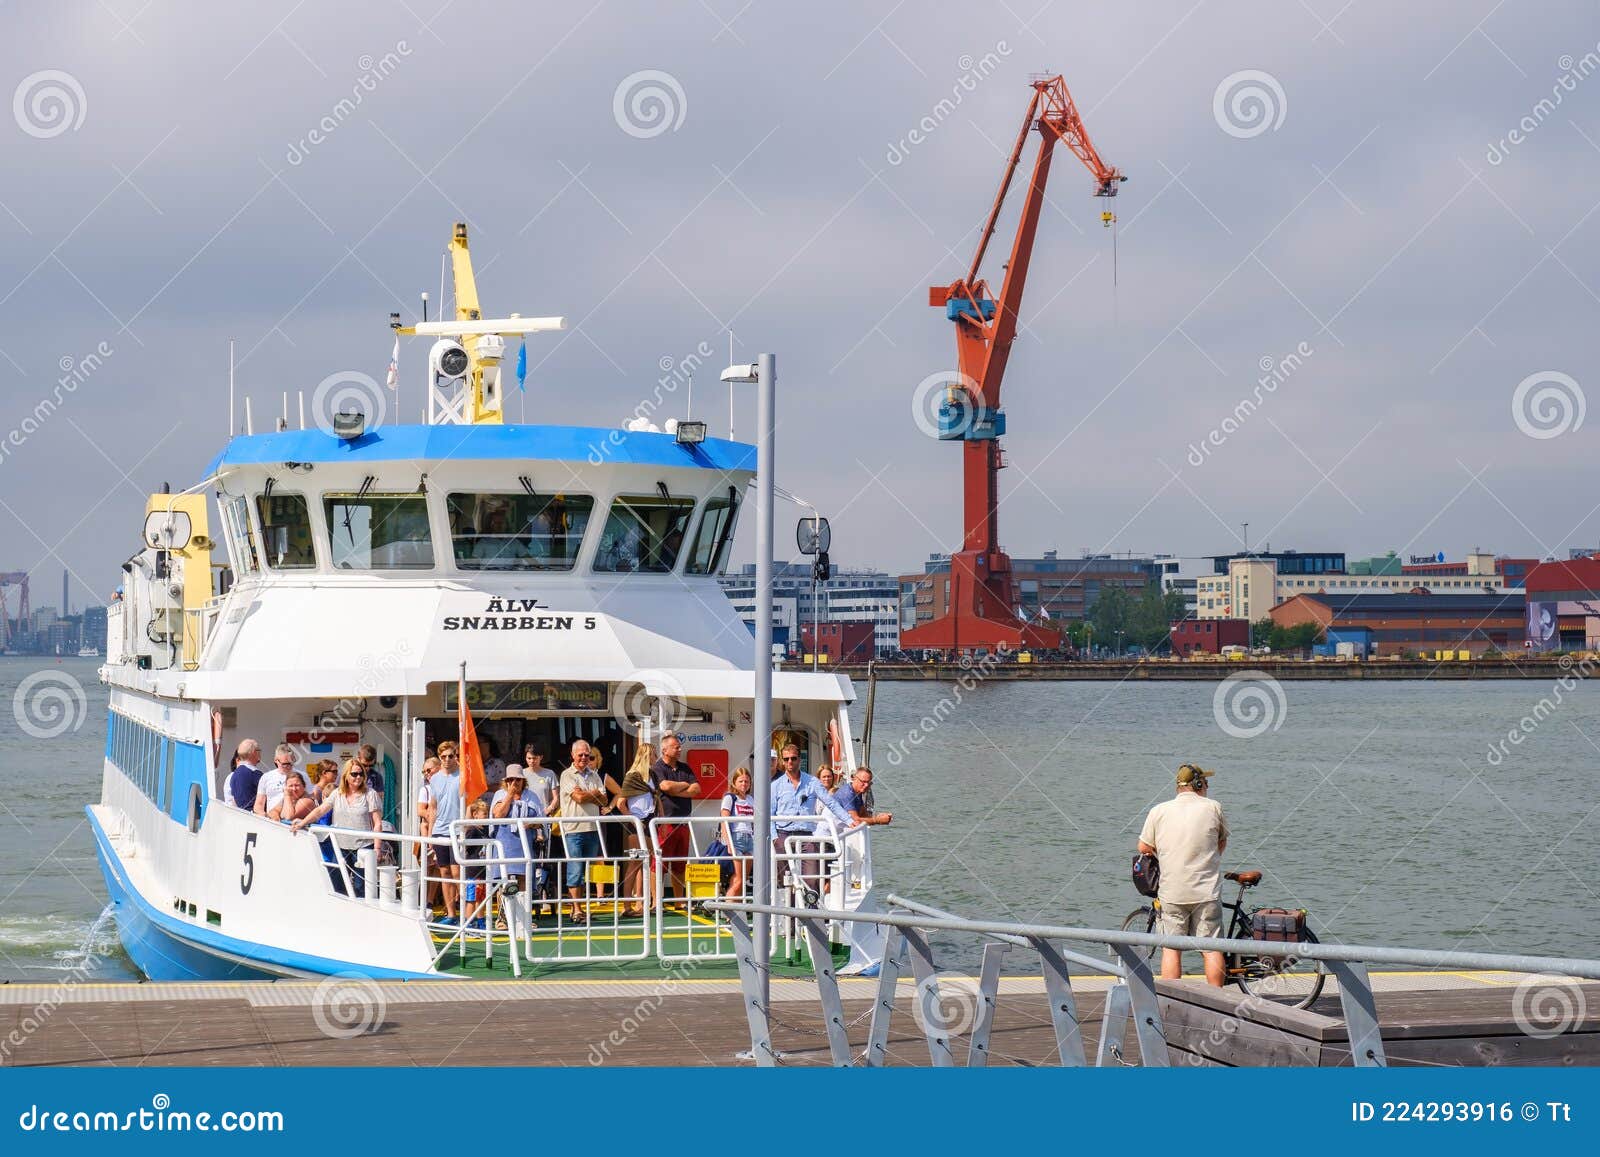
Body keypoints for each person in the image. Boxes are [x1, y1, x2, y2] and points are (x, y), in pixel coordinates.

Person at [1137, 764, 1230, 987]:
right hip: (1206, 891)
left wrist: (1166, 855)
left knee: (1171, 948)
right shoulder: (1213, 807)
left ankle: (1172, 1003)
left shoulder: (1158, 811)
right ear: (1198, 784)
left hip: (1172, 891)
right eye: (1205, 782)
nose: (1207, 786)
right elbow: (1221, 842)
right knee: (1211, 948)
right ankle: (1217, 1002)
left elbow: (1143, 847)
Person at [771, 742, 855, 903]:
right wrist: (774, 837)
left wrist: (849, 821)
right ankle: (790, 915)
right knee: (786, 880)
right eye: (786, 759)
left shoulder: (812, 782)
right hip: (783, 835)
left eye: (793, 758)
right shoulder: (775, 786)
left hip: (806, 835)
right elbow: (769, 814)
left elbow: (831, 803)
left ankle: (810, 914)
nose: (790, 762)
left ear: (799, 759)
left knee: (811, 878)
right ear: (782, 760)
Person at [294, 759, 383, 896]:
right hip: (340, 846)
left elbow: (377, 823)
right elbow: (320, 810)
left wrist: (377, 848)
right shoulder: (338, 793)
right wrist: (302, 823)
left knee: (362, 888)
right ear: (346, 775)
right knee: (338, 885)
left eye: (361, 774)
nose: (358, 777)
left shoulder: (370, 794)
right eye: (354, 774)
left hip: (363, 846)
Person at [490, 765, 546, 925]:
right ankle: (503, 918)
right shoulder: (499, 795)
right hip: (504, 843)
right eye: (510, 779)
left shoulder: (532, 796)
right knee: (504, 880)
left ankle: (523, 918)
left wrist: (530, 824)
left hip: (524, 843)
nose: (514, 782)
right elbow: (498, 814)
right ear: (506, 781)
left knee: (524, 880)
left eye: (518, 779)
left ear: (523, 781)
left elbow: (541, 820)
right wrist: (510, 794)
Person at [558, 740, 606, 923]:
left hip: (593, 828)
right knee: (575, 870)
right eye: (581, 755)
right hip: (574, 830)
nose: (584, 758)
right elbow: (578, 798)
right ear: (573, 756)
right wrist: (594, 793)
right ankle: (577, 909)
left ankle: (579, 907)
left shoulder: (594, 775)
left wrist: (588, 794)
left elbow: (604, 801)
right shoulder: (567, 775)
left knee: (586, 871)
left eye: (588, 755)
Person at [649, 732, 701, 900]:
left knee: (680, 865)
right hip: (665, 823)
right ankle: (657, 902)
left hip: (683, 823)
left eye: (679, 746)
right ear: (664, 750)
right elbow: (665, 786)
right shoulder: (657, 768)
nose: (680, 749)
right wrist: (685, 785)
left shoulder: (685, 768)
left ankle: (679, 901)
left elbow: (697, 789)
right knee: (659, 864)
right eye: (676, 747)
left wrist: (676, 789)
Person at [607, 744, 656, 917]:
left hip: (651, 821)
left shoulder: (652, 776)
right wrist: (635, 822)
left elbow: (655, 798)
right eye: (653, 754)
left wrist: (661, 820)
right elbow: (621, 803)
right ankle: (627, 906)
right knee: (634, 864)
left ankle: (640, 903)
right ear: (645, 756)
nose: (655, 757)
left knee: (647, 862)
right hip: (637, 823)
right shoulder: (632, 777)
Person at [422, 741, 464, 925]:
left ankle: (466, 911)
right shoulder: (435, 778)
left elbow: (470, 802)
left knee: (457, 872)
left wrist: (467, 826)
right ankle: (451, 914)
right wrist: (430, 834)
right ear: (440, 758)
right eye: (444, 757)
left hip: (457, 829)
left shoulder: (463, 776)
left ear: (456, 756)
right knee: (444, 871)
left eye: (451, 756)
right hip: (439, 830)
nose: (447, 760)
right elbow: (433, 807)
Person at [720, 766, 756, 899]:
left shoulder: (750, 799)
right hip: (736, 837)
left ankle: (736, 906)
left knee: (742, 878)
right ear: (734, 782)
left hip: (749, 838)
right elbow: (724, 820)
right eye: (741, 781)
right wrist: (728, 842)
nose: (744, 784)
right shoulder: (730, 798)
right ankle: (728, 907)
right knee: (740, 878)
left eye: (746, 781)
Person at [253, 745, 308, 816]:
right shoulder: (266, 777)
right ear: (276, 760)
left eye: (291, 763)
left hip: (294, 818)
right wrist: (264, 815)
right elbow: (259, 804)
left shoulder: (303, 775)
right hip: (272, 820)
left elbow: (311, 798)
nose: (289, 766)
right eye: (285, 764)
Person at [227, 740, 264, 809]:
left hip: (241, 814)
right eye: (258, 750)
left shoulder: (234, 774)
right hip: (256, 816)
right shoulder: (255, 773)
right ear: (253, 752)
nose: (260, 753)